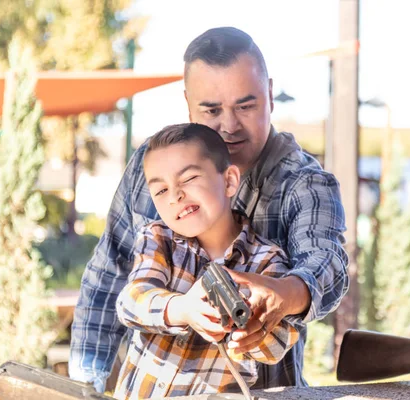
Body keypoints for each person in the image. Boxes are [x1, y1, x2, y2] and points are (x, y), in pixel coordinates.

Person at [69, 26, 349, 393]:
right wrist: (85, 385)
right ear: (188, 103)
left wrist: (284, 295)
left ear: (270, 94)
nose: (229, 126)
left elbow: (327, 263)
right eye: (211, 109)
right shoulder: (151, 166)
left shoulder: (305, 183)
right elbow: (111, 275)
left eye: (246, 106)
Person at [112, 123, 302, 399]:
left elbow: (277, 346)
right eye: (161, 190)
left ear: (229, 181)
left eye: (188, 179)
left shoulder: (267, 261)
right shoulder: (158, 238)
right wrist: (182, 309)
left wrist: (250, 329)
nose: (175, 195)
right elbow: (131, 301)